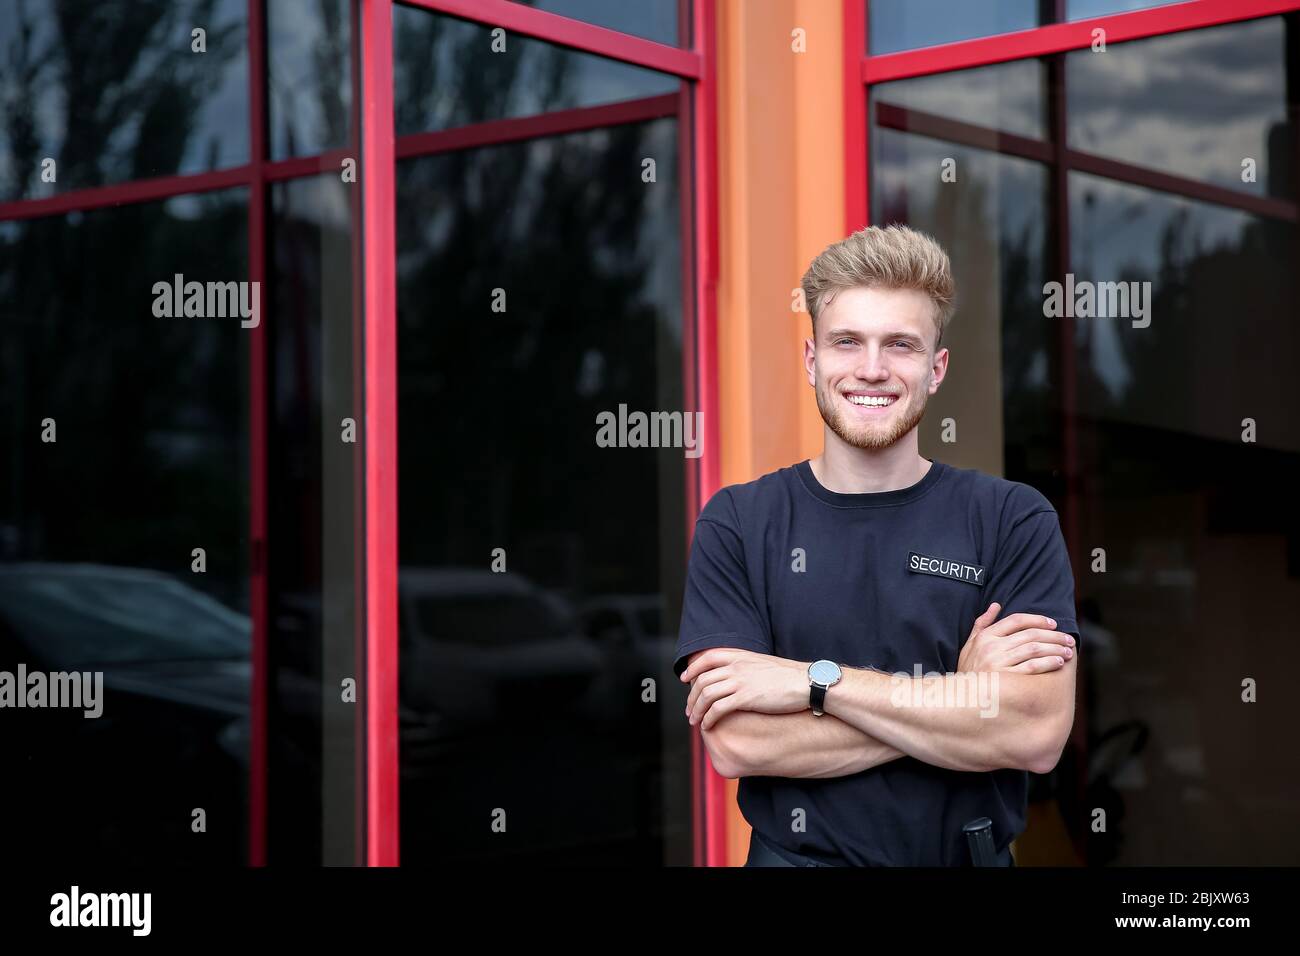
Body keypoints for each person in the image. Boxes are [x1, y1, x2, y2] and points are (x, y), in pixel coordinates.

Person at [674, 225, 1079, 867]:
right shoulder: (739, 523)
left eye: (900, 345)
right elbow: (740, 743)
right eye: (847, 342)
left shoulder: (1012, 519)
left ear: (936, 369)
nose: (871, 369)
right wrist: (960, 694)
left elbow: (1032, 732)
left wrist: (808, 682)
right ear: (812, 360)